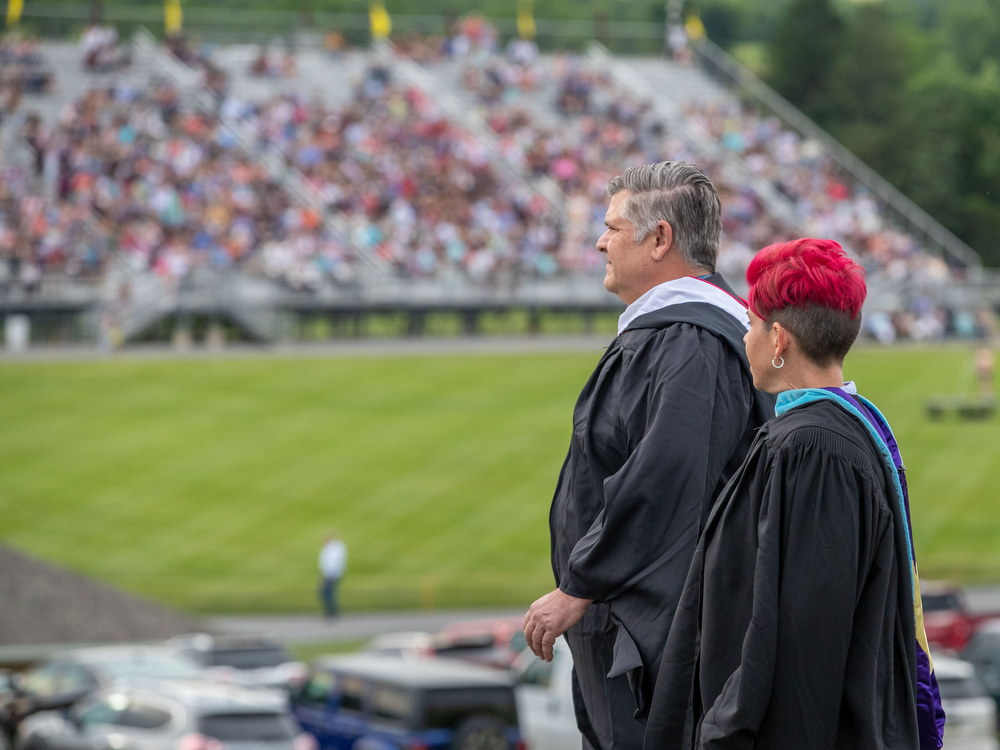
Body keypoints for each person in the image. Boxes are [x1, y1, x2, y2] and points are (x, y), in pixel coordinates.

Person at [644, 238, 945, 750]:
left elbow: (803, 640)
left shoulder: (813, 450)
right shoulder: (839, 432)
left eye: (751, 324)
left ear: (779, 339)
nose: (746, 338)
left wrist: (723, 732)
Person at [522, 161, 774, 750]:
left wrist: (580, 585)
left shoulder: (691, 343)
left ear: (660, 239)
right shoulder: (684, 335)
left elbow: (667, 480)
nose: (600, 242)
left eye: (613, 228)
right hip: (642, 630)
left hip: (656, 647)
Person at [318, 532, 347, 618]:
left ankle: (331, 611)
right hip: (330, 573)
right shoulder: (334, 547)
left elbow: (332, 563)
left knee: (328, 593)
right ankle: (331, 611)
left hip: (331, 574)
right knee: (328, 592)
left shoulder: (334, 548)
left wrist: (329, 575)